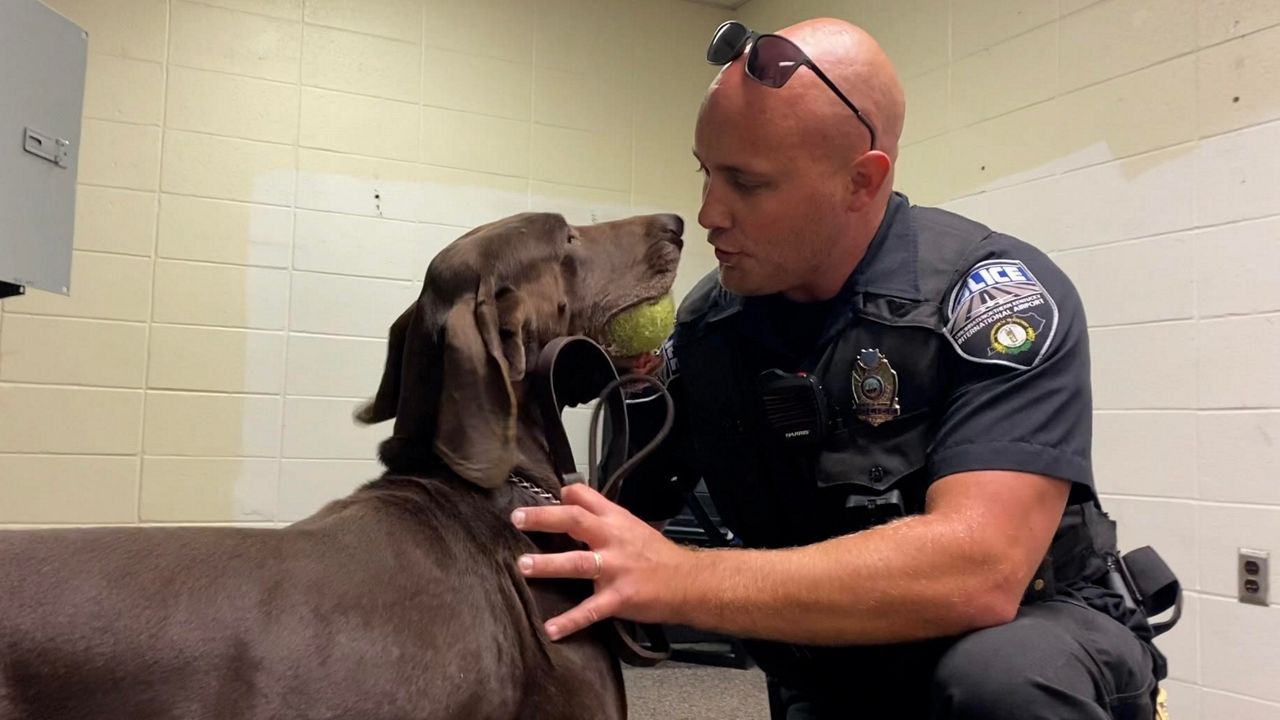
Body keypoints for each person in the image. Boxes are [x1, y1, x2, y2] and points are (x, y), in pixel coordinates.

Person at [510, 17, 1168, 719]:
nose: (707, 214)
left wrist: (683, 577)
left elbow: (981, 571)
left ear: (861, 181)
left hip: (1028, 644)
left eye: (747, 183)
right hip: (836, 667)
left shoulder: (989, 296)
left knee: (1001, 679)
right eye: (706, 171)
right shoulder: (708, 332)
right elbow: (618, 516)